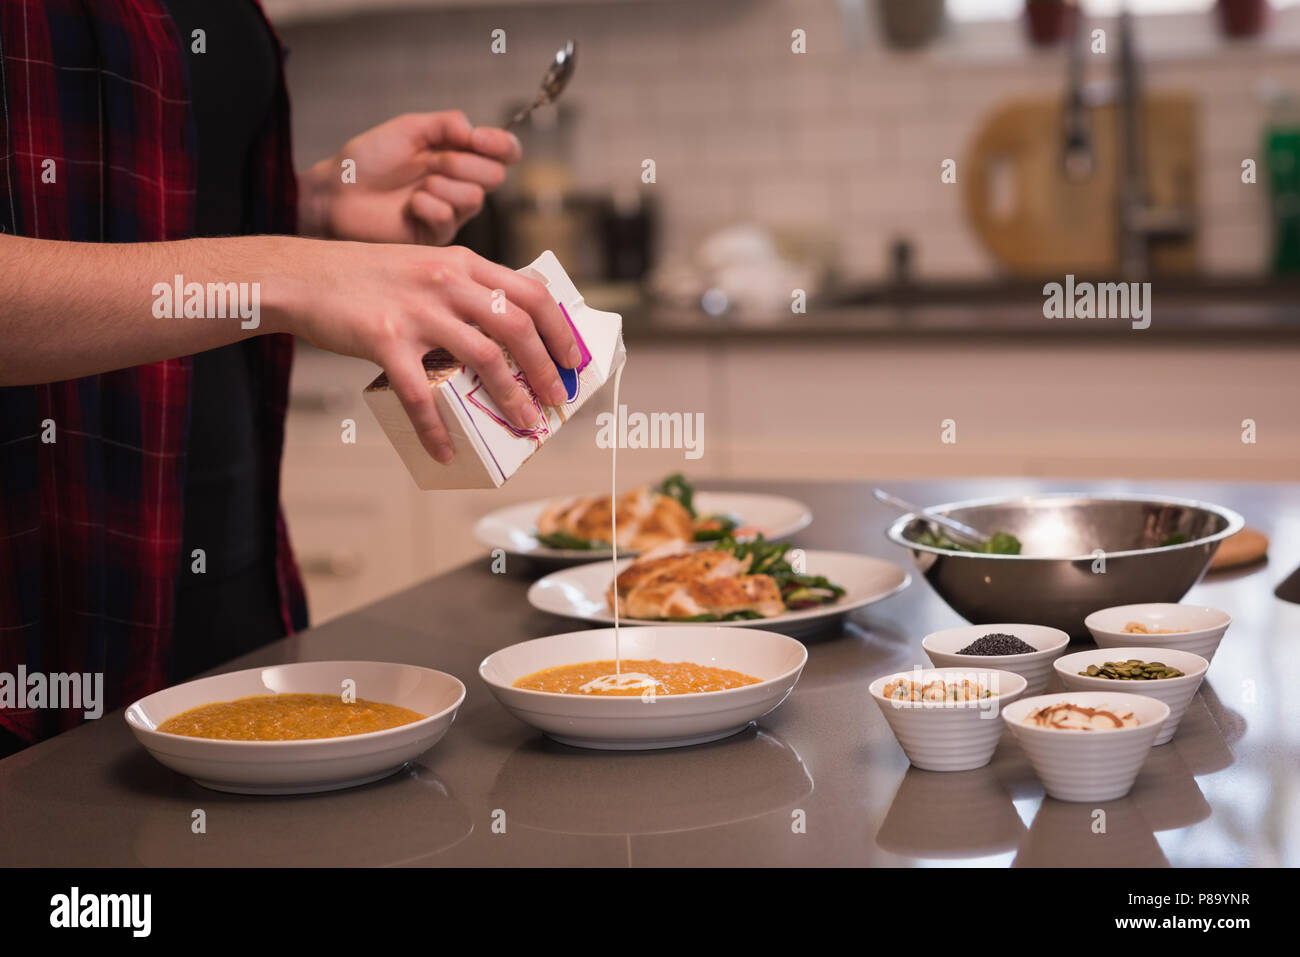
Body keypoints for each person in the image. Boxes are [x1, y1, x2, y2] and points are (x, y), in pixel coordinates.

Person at [0, 0, 578, 755]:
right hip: (34, 621)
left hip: (223, 587)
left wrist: (313, 206)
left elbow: (139, 213)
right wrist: (289, 273)